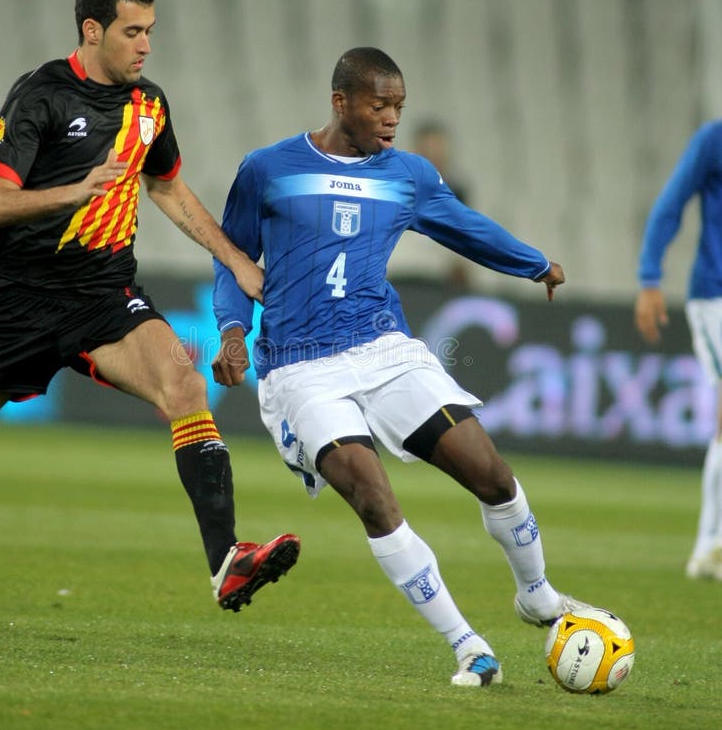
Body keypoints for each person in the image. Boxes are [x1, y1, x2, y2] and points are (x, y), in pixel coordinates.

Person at [0, 0, 299, 613]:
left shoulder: (149, 105)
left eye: (150, 30)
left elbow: (167, 187)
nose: (146, 44)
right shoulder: (39, 96)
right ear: (93, 31)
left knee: (182, 383)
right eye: (133, 31)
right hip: (18, 303)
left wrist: (237, 261)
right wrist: (81, 188)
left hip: (102, 295)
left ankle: (227, 563)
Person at [211, 46, 586, 687]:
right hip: (300, 367)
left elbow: (464, 228)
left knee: (491, 474)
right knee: (371, 494)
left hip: (384, 349)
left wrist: (533, 261)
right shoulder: (267, 168)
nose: (391, 118)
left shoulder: (406, 175)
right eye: (379, 104)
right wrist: (232, 330)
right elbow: (230, 254)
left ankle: (538, 595)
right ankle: (469, 647)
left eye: (399, 107)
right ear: (340, 102)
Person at [635, 120, 722, 582]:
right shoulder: (715, 140)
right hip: (718, 294)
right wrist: (650, 277)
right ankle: (712, 546)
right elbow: (671, 204)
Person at [411, 119, 473, 290]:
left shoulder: (457, 193)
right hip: (405, 276)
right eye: (427, 151)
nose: (433, 157)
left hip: (440, 279)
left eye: (437, 150)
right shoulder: (399, 189)